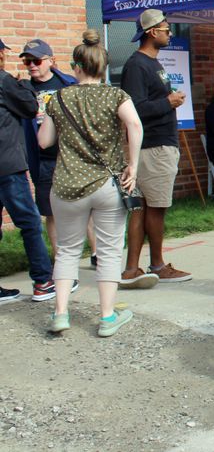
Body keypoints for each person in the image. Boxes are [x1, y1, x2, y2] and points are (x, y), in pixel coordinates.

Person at [38, 29, 143, 336]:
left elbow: (44, 141)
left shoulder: (58, 98)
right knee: (109, 251)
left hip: (67, 185)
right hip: (108, 184)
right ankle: (107, 317)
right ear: (103, 68)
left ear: (77, 67)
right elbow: (134, 124)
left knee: (68, 250)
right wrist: (132, 166)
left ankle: (60, 314)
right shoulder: (116, 95)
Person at [119, 9, 190, 288]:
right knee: (154, 208)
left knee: (141, 208)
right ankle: (157, 265)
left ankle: (132, 269)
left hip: (154, 145)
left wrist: (167, 101)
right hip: (154, 146)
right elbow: (133, 109)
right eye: (166, 29)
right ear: (152, 32)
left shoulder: (150, 63)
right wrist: (168, 103)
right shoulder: (137, 65)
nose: (169, 33)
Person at [18, 39, 97, 264]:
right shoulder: (24, 90)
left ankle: (95, 252)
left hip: (71, 156)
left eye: (36, 60)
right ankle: (59, 257)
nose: (32, 65)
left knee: (84, 204)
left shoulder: (69, 83)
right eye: (27, 62)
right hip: (43, 159)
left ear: (51, 61)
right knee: (50, 210)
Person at [0, 37, 55, 302]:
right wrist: (22, 84)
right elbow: (31, 107)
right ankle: (43, 281)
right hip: (7, 165)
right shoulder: (5, 81)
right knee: (30, 223)